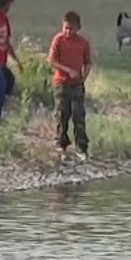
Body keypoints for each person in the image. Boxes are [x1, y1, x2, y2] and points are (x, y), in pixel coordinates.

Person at [47, 11, 93, 160]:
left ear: (78, 27)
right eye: (65, 28)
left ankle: (82, 147)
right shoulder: (58, 40)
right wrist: (68, 70)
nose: (68, 32)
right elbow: (52, 60)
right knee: (62, 113)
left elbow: (88, 62)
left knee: (78, 115)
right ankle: (61, 143)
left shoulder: (83, 43)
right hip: (61, 82)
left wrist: (83, 77)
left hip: (77, 84)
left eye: (71, 29)